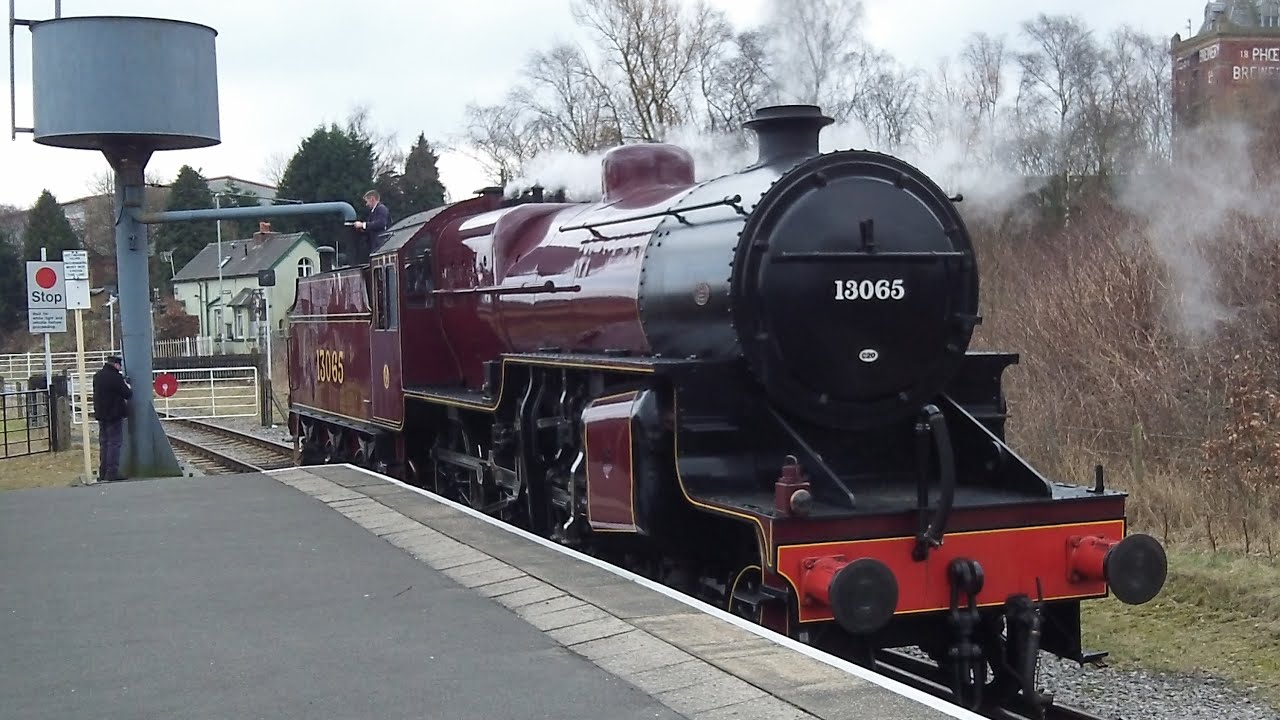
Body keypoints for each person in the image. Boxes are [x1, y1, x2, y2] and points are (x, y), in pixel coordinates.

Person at [92, 355, 132, 483]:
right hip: (114, 414)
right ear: (116, 365)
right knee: (114, 443)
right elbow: (128, 394)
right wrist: (127, 384)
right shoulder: (115, 377)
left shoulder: (97, 376)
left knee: (104, 443)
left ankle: (103, 471)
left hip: (101, 414)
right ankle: (112, 472)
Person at [350, 189, 391, 265]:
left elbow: (381, 223)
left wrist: (363, 225)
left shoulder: (381, 209)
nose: (366, 204)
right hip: (375, 246)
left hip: (380, 245)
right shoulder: (374, 211)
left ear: (372, 199)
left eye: (367, 201)